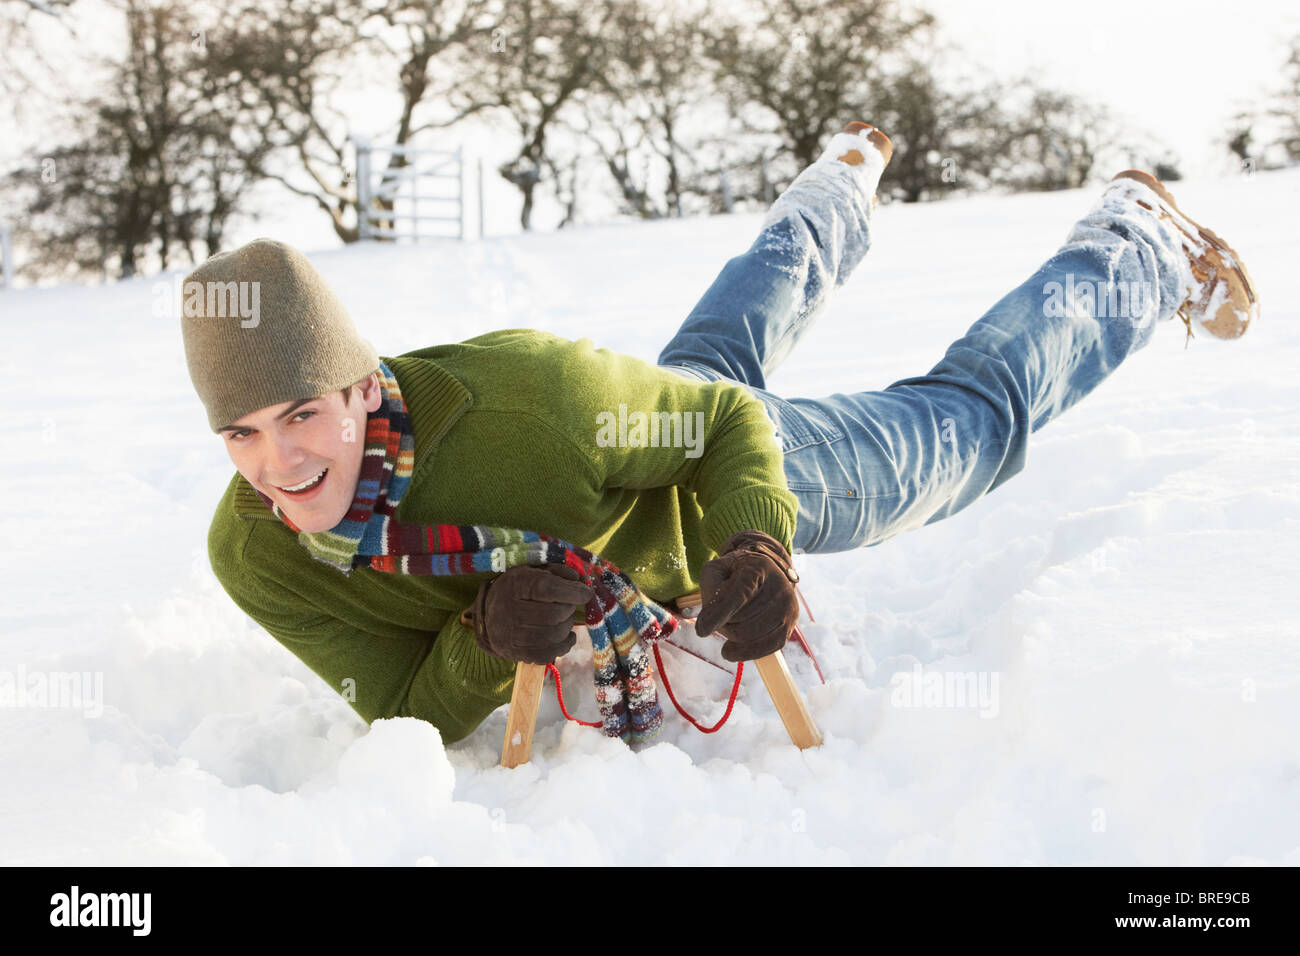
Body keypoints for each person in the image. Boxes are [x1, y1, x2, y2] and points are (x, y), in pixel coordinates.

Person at [185, 121, 1258, 745]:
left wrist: (755, 541)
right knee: (709, 356)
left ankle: (1136, 247)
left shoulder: (530, 398)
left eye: (303, 414)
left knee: (962, 429)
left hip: (717, 480)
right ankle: (834, 188)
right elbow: (402, 712)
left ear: (365, 389)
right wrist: (480, 635)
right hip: (639, 433)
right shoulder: (254, 552)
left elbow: (726, 426)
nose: (282, 462)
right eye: (241, 434)